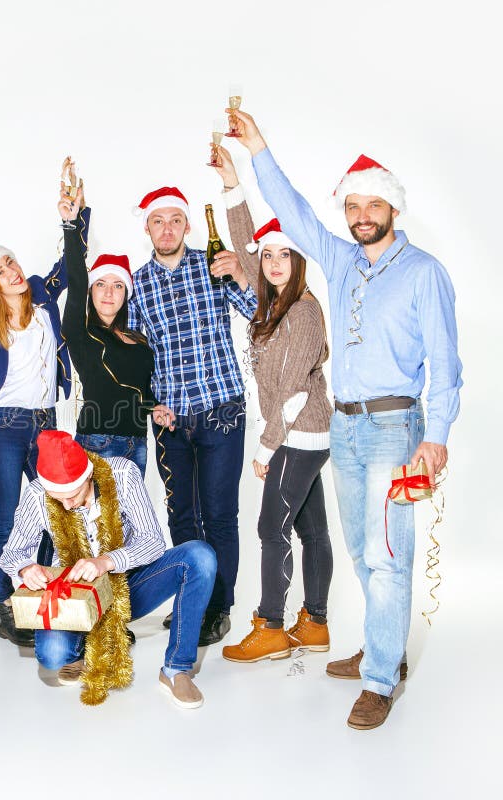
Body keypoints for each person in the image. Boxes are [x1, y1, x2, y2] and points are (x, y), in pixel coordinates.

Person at [231, 109, 462, 729]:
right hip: (344, 427)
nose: (361, 215)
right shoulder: (340, 263)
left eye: (372, 205)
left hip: (394, 427)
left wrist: (435, 437)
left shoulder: (424, 273)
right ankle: (383, 645)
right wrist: (259, 150)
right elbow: (297, 214)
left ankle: (381, 678)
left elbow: (447, 364)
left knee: (388, 555)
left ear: (392, 208)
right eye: (353, 205)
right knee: (364, 551)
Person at [207, 147, 333, 664]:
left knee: (269, 529)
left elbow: (295, 390)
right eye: (270, 256)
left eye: (285, 255)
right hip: (308, 435)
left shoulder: (302, 312)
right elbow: (243, 240)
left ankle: (272, 625)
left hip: (298, 434)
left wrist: (265, 448)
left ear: (299, 261)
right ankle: (317, 624)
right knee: (310, 528)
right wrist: (232, 182)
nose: (275, 263)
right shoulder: (271, 299)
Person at [0, 184, 91, 648]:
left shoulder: (41, 295)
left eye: (11, 262)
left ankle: (45, 595)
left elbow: (72, 266)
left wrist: (75, 218)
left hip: (47, 423)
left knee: (55, 514)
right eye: (0, 269)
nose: (11, 271)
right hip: (4, 427)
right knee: (5, 518)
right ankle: (7, 605)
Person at [1, 430, 216, 708]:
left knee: (200, 556)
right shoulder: (36, 494)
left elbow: (152, 541)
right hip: (72, 598)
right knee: (53, 655)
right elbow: (11, 553)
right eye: (58, 498)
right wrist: (25, 568)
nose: (67, 504)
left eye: (73, 495)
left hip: (126, 589)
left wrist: (105, 561)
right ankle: (82, 648)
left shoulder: (123, 474)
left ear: (88, 476)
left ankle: (176, 669)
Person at [128, 186, 257, 645]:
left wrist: (241, 274)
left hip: (222, 409)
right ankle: (193, 601)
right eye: (158, 220)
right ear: (147, 227)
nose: (167, 228)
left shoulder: (214, 264)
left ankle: (218, 607)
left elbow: (258, 314)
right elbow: (133, 358)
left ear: (187, 225)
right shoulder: (136, 284)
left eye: (175, 220)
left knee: (220, 514)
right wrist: (147, 403)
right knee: (182, 513)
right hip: (171, 422)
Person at [59, 159, 173, 476]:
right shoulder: (80, 332)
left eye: (118, 285)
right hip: (98, 441)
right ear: (91, 291)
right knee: (102, 526)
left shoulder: (137, 339)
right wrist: (72, 224)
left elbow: (140, 390)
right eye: (101, 285)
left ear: (126, 295)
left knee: (130, 526)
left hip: (137, 442)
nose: (109, 292)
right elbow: (76, 277)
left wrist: (156, 408)